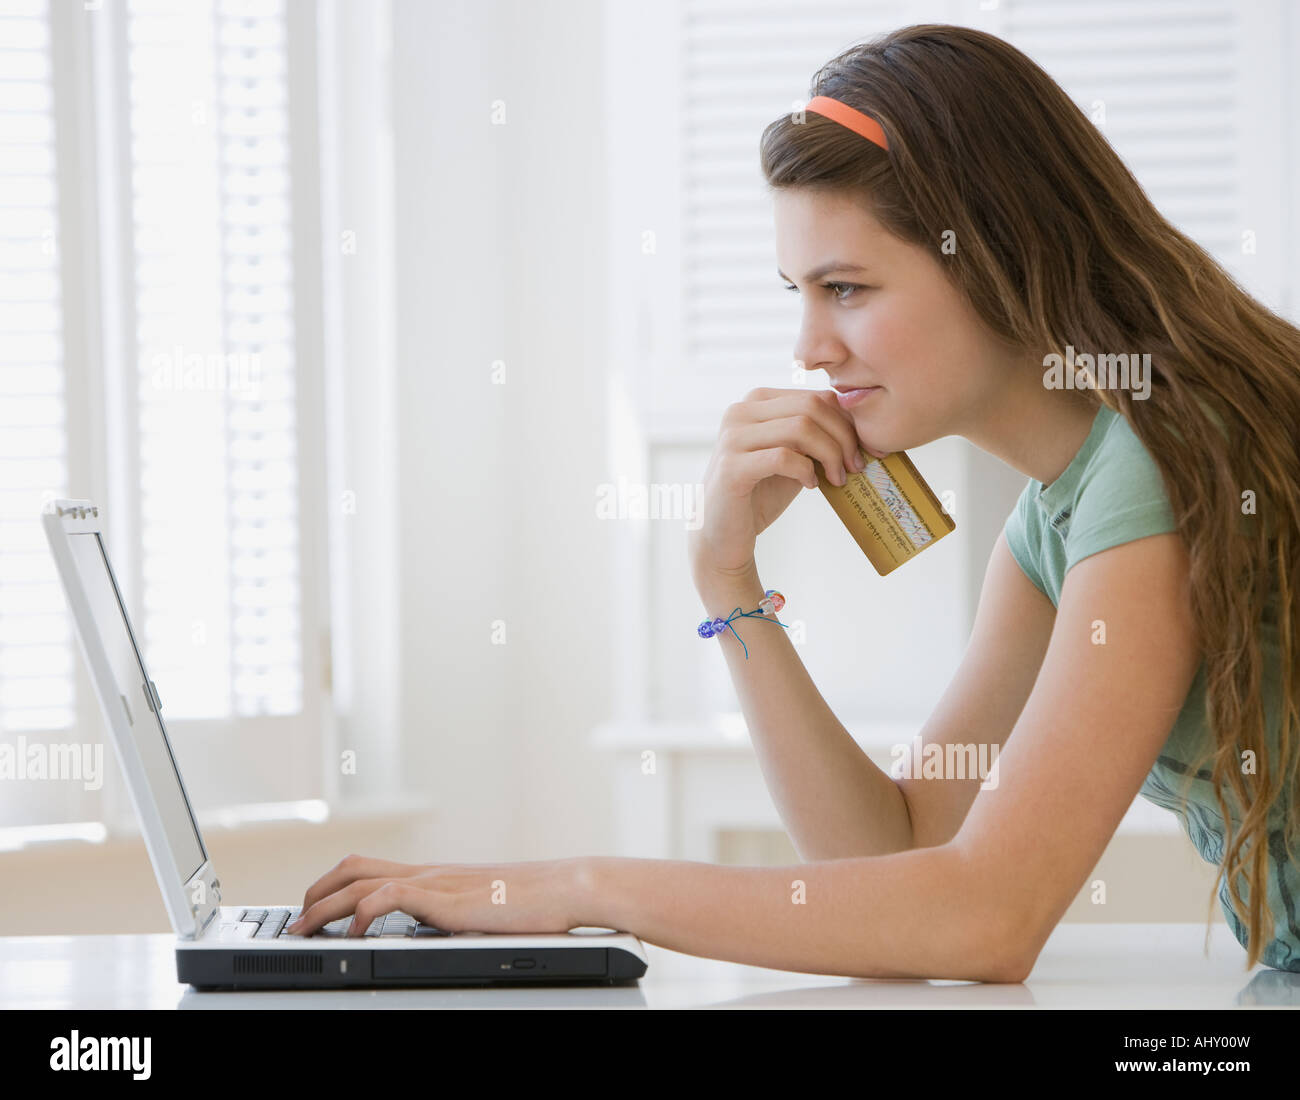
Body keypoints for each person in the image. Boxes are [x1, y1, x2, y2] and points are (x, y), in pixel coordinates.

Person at [288, 24, 1300, 980]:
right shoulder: (1056, 522)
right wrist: (724, 575)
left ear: (997, 256)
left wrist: (583, 885)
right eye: (797, 293)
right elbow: (891, 855)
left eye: (847, 288)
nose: (809, 346)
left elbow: (985, 917)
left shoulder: (1161, 454)